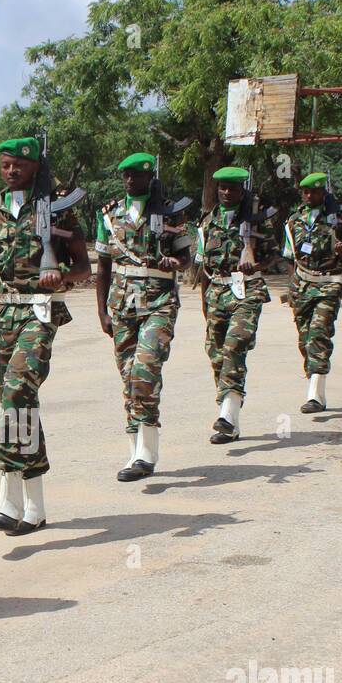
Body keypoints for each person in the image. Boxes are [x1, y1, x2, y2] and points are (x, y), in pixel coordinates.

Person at [0, 137, 90, 533]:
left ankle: (8, 493)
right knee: (20, 406)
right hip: (1, 316)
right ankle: (29, 506)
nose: (10, 172)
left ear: (35, 167)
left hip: (40, 312)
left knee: (17, 394)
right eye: (5, 165)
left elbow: (84, 269)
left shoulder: (58, 208)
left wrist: (60, 277)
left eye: (19, 165)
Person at [94, 153, 193, 477]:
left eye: (137, 175)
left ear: (150, 177)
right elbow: (104, 267)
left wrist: (175, 264)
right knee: (128, 377)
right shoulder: (109, 214)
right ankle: (135, 449)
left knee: (145, 371)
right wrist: (102, 311)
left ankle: (146, 455)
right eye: (126, 175)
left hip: (159, 302)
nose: (130, 180)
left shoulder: (170, 211)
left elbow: (185, 257)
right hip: (123, 306)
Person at [192, 165, 273, 442]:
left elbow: (277, 255)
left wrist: (255, 261)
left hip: (248, 289)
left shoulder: (259, 219)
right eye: (223, 187)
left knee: (235, 344)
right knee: (217, 354)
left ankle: (227, 413)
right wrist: (204, 301)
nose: (227, 192)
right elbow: (203, 266)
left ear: (243, 190)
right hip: (217, 290)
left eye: (234, 188)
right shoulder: (206, 221)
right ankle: (232, 420)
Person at [282, 172, 342, 412]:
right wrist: (292, 284)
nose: (310, 195)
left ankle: (315, 395)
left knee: (319, 333)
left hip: (329, 283)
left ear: (324, 193)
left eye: (315, 191)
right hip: (303, 284)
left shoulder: (339, 220)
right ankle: (315, 381)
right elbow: (290, 255)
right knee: (304, 340)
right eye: (306, 191)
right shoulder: (294, 220)